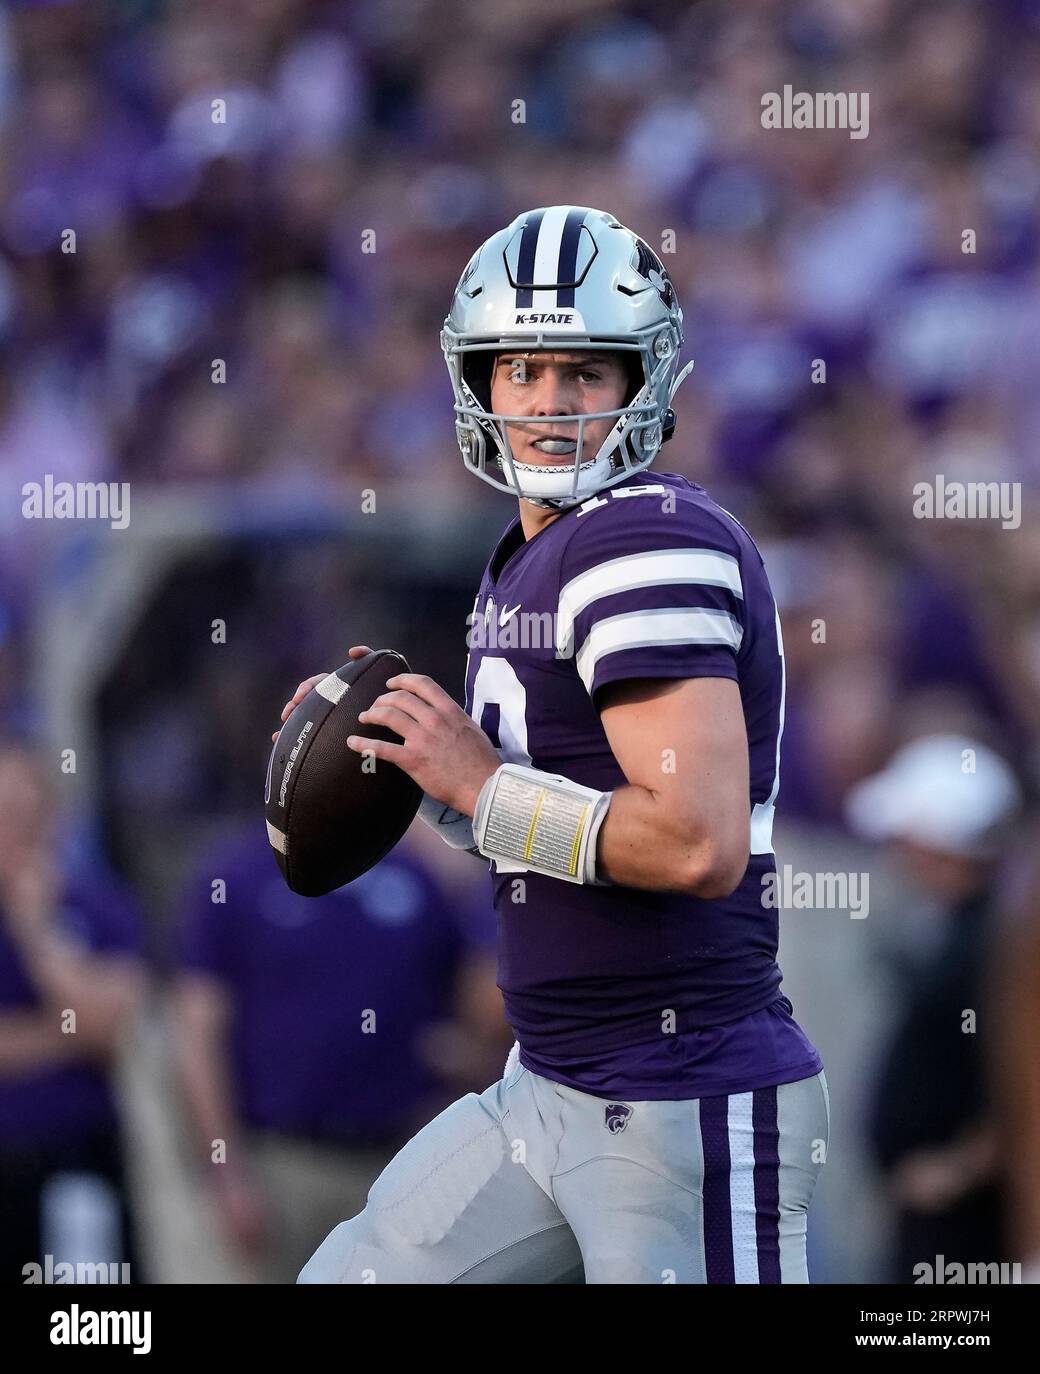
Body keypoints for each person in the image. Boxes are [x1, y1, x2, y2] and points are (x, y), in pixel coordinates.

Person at [291, 207, 828, 1283]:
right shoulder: (530, 549)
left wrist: (481, 786)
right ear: (474, 380)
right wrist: (424, 772)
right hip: (548, 1085)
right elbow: (557, 820)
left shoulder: (643, 535)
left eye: (586, 371)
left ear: (646, 380)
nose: (549, 404)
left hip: (681, 1095)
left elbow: (692, 842)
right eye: (521, 368)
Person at [173, 824, 505, 1283]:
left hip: (395, 1168)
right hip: (281, 1165)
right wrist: (226, 1170)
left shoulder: (415, 877)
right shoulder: (237, 875)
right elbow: (198, 1034)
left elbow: (475, 1007)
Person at [845, 734, 1022, 1284]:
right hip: (926, 1225)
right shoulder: (942, 928)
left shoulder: (999, 943)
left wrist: (962, 1169)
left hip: (972, 1231)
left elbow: (1022, 1076)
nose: (899, 852)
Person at [0, 740, 147, 1284]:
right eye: (5, 816)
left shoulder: (101, 905)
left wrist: (37, 928)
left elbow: (118, 1029)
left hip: (86, 1164)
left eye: (29, 814)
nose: (18, 831)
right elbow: (92, 1025)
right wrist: (73, 1031)